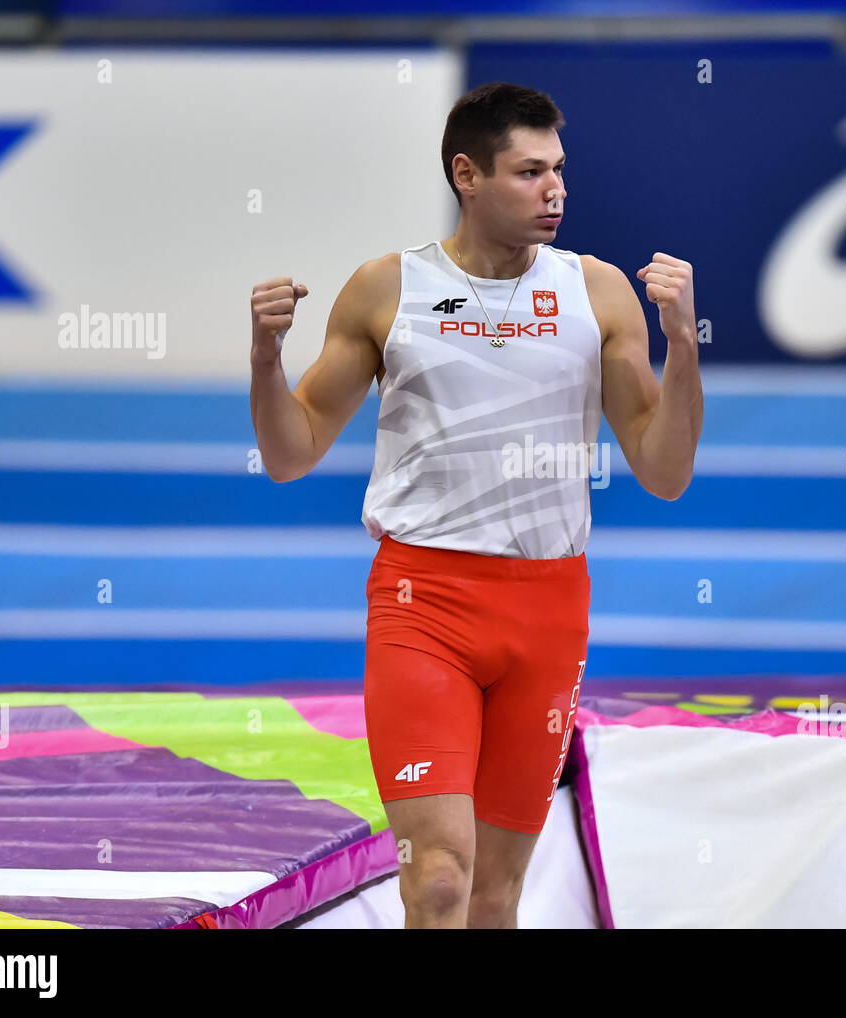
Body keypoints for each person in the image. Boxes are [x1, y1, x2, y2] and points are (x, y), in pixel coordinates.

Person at [248, 82, 702, 928]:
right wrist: (267, 359)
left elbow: (664, 469)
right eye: (529, 172)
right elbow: (290, 452)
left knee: (495, 896)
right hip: (425, 607)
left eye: (559, 170)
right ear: (467, 174)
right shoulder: (388, 290)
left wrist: (682, 348)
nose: (556, 190)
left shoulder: (597, 294)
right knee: (442, 882)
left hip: (549, 612)